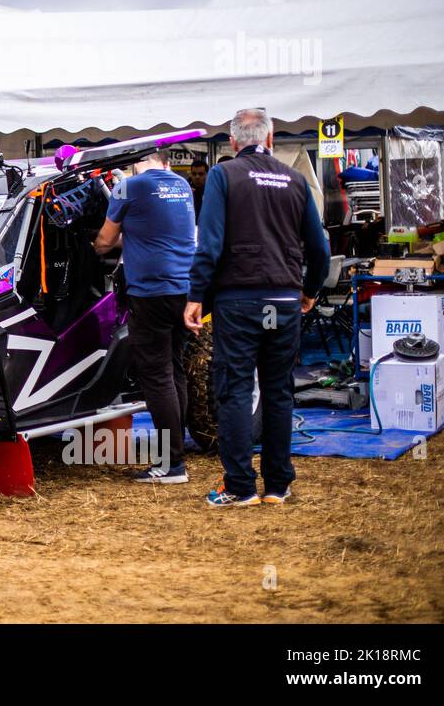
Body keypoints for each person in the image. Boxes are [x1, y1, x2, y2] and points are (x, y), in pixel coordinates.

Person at [184, 108, 329, 508]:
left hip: (238, 301)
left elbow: (209, 244)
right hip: (283, 300)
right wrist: (310, 290)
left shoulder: (223, 175)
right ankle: (278, 487)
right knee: (279, 391)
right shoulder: (297, 181)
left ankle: (240, 487)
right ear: (270, 139)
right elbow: (320, 248)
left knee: (235, 391)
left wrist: (196, 296)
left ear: (232, 142)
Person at [94, 149, 196, 484]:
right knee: (175, 369)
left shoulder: (129, 186)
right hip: (184, 288)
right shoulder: (182, 185)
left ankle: (171, 464)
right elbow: (157, 232)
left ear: (135, 162)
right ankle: (176, 455)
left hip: (150, 291)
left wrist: (94, 244)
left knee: (156, 376)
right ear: (165, 160)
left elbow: (106, 241)